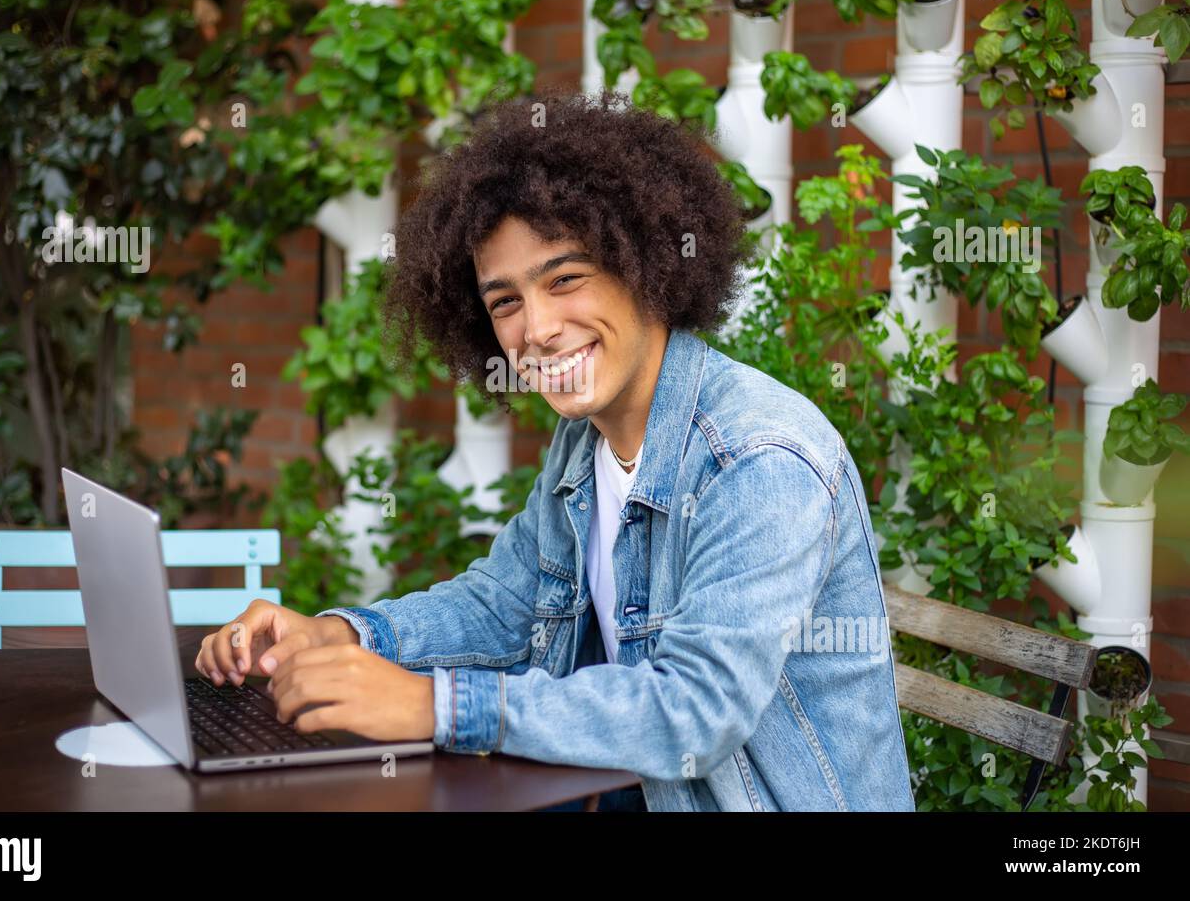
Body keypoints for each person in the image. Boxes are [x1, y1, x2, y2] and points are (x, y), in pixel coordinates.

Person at [197, 87, 915, 811]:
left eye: (565, 279)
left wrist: (437, 707)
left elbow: (696, 714)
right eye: (505, 300)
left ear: (648, 266)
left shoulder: (760, 461)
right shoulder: (585, 441)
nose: (535, 329)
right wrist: (342, 636)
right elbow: (503, 605)